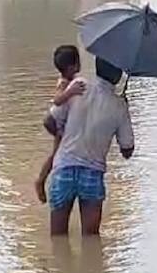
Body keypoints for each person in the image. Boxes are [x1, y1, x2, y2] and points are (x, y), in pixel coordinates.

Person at [42, 57, 135, 236]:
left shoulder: (78, 86)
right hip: (93, 172)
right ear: (118, 75)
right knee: (91, 238)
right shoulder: (119, 105)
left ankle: (60, 264)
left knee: (58, 237)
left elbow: (49, 121)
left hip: (64, 168)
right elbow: (127, 150)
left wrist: (63, 138)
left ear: (98, 67)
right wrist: (124, 108)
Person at [34, 45, 87, 204]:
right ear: (73, 66)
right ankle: (41, 181)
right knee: (56, 154)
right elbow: (57, 100)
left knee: (57, 153)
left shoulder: (70, 80)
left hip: (55, 121)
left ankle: (43, 181)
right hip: (54, 122)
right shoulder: (64, 83)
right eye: (78, 62)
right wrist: (71, 92)